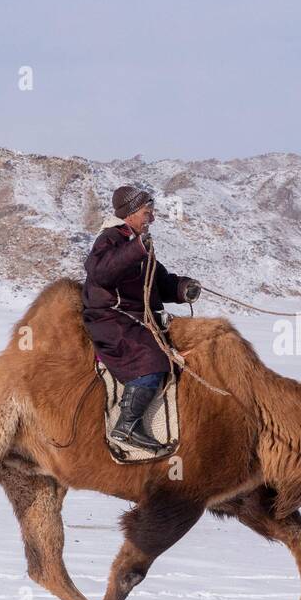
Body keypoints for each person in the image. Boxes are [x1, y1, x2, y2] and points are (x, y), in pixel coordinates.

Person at [82, 185, 201, 452]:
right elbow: (100, 271)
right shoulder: (110, 239)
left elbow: (158, 282)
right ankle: (127, 426)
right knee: (150, 360)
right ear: (131, 213)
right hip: (109, 319)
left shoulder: (137, 244)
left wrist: (183, 289)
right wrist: (135, 249)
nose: (152, 218)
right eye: (148, 212)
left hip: (133, 319)